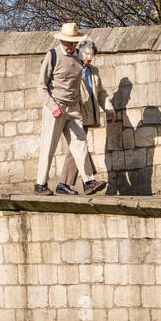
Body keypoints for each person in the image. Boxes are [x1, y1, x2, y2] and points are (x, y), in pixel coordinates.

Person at [34, 21, 105, 196]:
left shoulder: (79, 57)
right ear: (61, 41)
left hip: (73, 108)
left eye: (73, 42)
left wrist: (79, 106)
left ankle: (89, 182)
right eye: (67, 42)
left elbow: (80, 83)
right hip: (55, 107)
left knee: (80, 143)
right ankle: (40, 184)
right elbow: (41, 86)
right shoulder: (52, 55)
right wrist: (52, 106)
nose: (70, 45)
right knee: (49, 146)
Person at [58, 36, 115, 192]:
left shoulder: (93, 71)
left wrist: (109, 109)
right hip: (74, 113)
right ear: (79, 52)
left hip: (88, 114)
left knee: (78, 148)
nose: (89, 58)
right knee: (78, 147)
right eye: (86, 54)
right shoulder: (72, 67)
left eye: (91, 55)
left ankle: (76, 183)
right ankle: (79, 182)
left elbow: (101, 93)